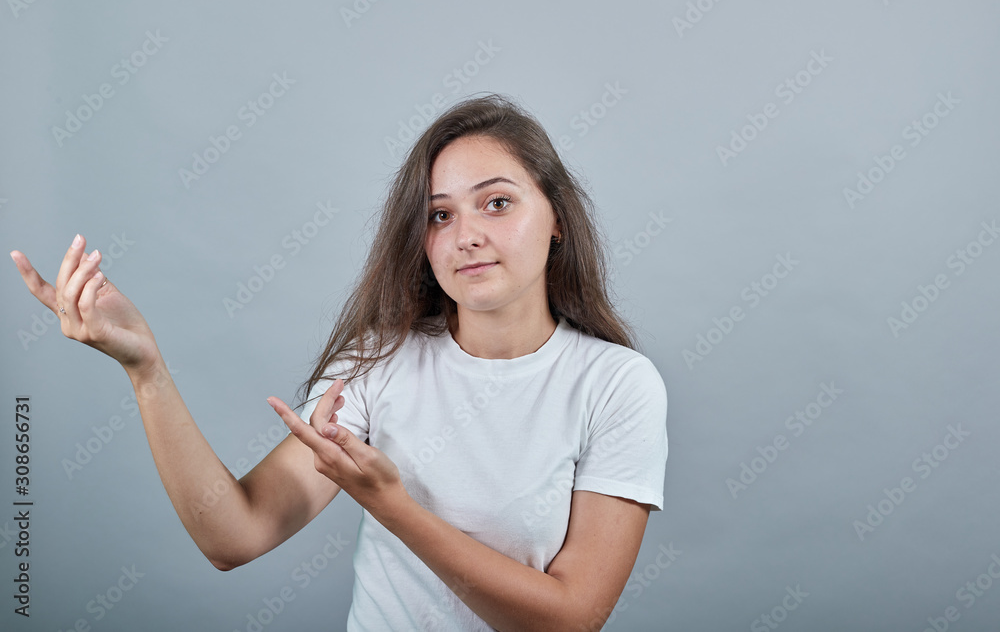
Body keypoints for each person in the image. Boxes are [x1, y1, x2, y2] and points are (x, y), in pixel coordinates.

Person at [9, 94, 668, 631]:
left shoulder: (615, 386)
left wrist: (392, 504)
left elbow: (570, 617)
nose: (466, 235)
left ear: (557, 217)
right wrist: (145, 367)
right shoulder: (379, 365)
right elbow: (234, 533)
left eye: (498, 202)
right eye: (438, 215)